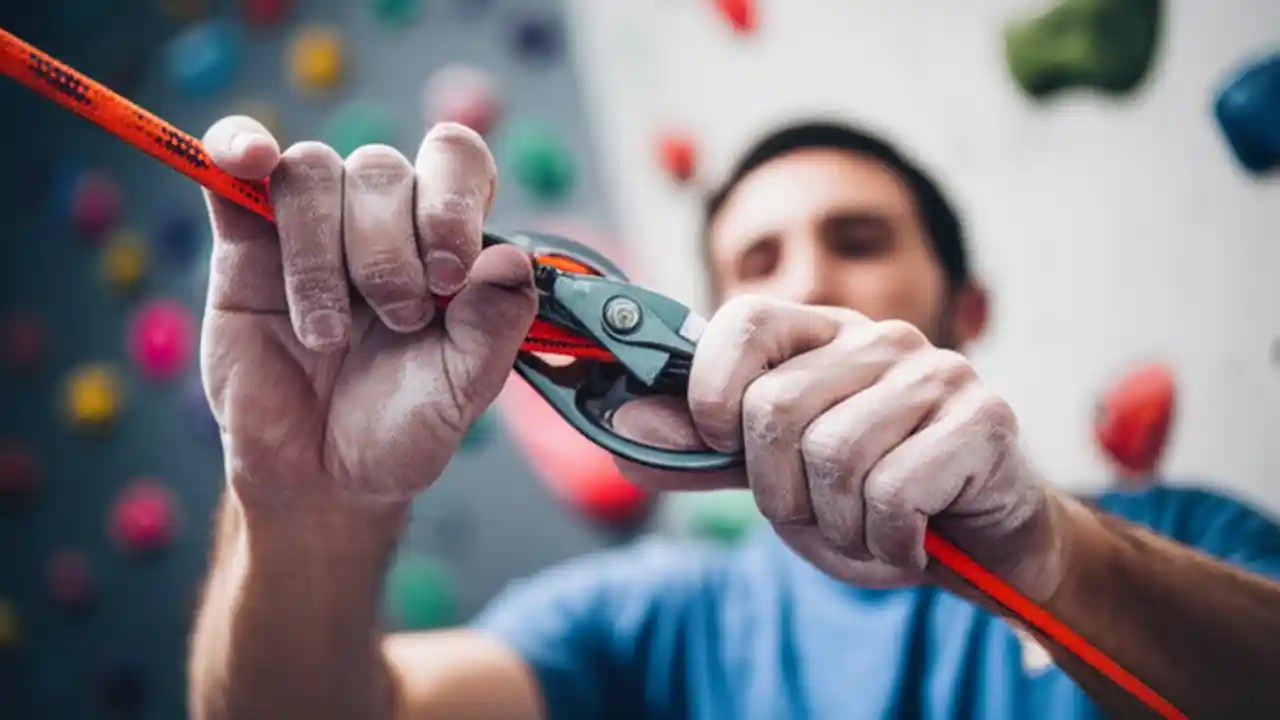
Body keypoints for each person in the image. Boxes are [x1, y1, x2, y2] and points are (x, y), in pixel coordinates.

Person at [187, 116, 1280, 720]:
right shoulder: (649, 625)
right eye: (756, 263)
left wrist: (1049, 558)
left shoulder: (1181, 537)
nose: (804, 282)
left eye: (857, 240)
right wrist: (303, 509)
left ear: (970, 307)